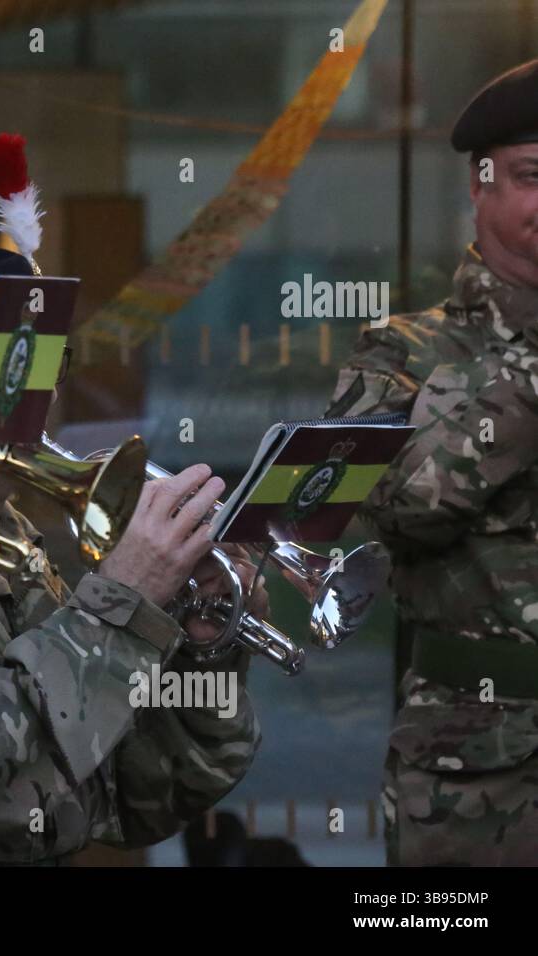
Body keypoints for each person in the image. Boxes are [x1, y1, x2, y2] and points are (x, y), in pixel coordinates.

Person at [0, 247, 264, 864]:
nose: (41, 393)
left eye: (50, 362)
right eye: (11, 362)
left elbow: (138, 795)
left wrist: (202, 646)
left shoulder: (13, 541)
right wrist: (120, 604)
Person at [325, 60, 538, 865]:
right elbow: (400, 508)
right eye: (532, 177)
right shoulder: (400, 350)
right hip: (480, 770)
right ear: (478, 190)